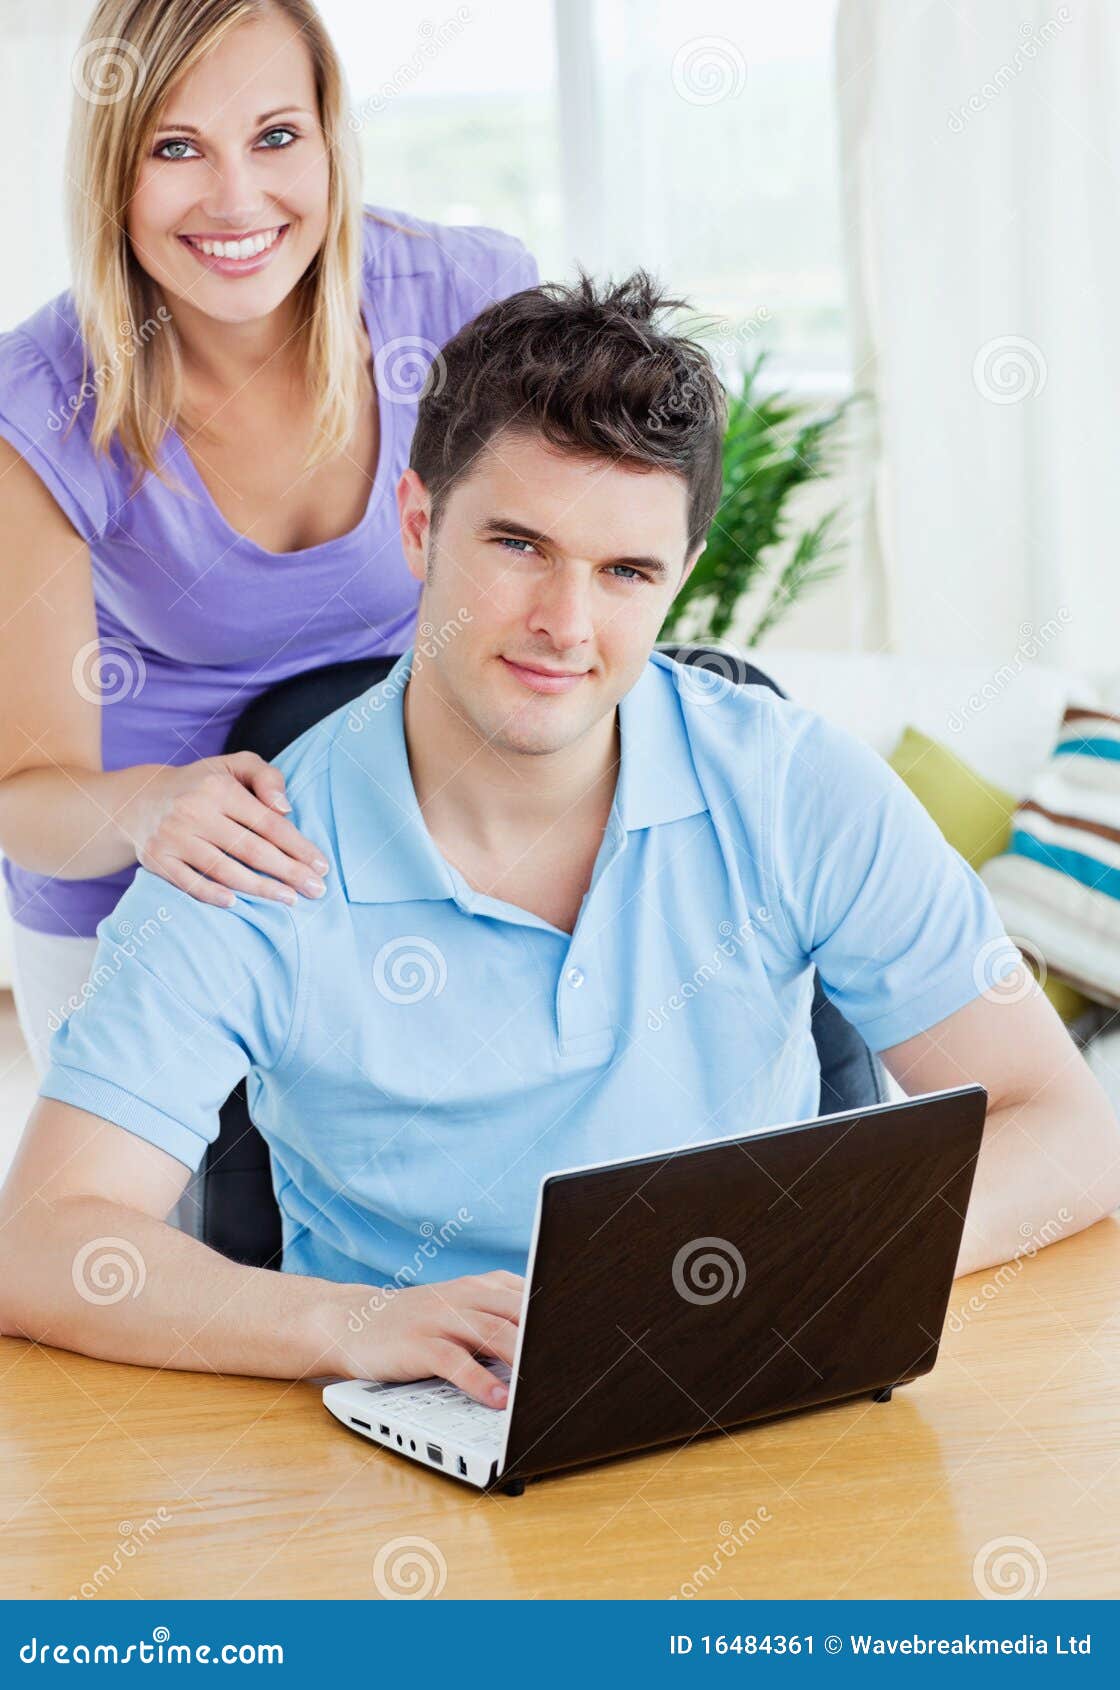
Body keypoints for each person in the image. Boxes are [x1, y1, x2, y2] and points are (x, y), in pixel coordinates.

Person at [2, 273, 1117, 1412]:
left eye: (625, 571)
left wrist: (798, 1276)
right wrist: (360, 1324)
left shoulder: (796, 786)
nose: (565, 626)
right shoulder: (249, 852)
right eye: (521, 546)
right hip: (419, 1447)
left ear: (679, 578)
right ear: (420, 523)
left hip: (754, 1399)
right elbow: (44, 1242)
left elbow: (1069, 1129)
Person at [0, 0, 537, 1075]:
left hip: (405, 857)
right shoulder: (41, 404)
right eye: (176, 147)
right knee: (175, 1236)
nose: (237, 198)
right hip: (143, 896)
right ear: (115, 170)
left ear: (332, 138)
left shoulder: (464, 300)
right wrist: (154, 806)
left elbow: (556, 571)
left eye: (277, 136)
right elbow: (26, 803)